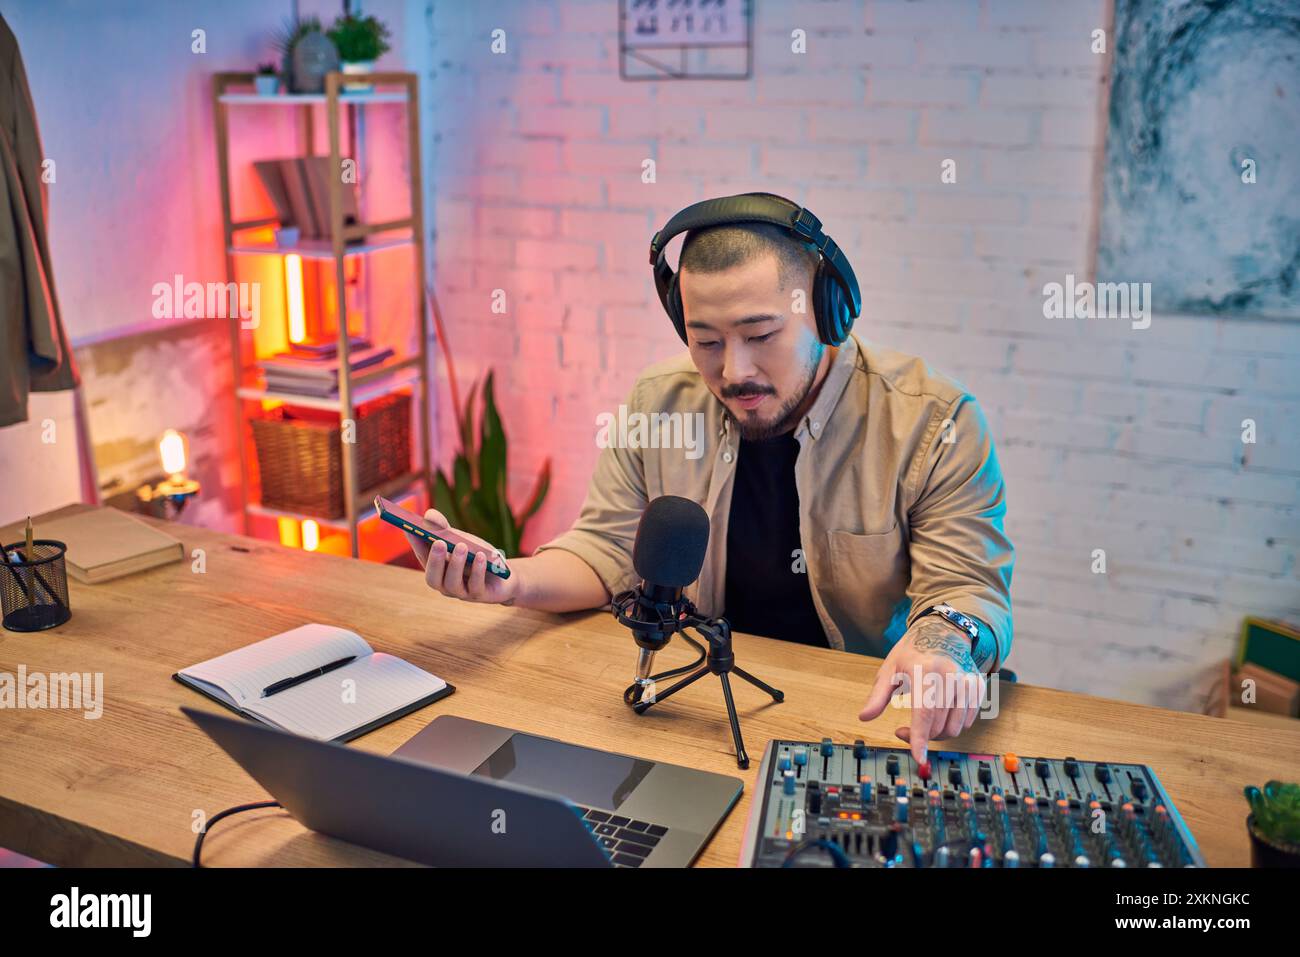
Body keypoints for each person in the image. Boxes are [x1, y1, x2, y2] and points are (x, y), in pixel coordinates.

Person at [404, 193, 1014, 765]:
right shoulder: (658, 401)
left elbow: (966, 589)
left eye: (761, 335)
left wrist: (944, 643)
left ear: (829, 314)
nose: (734, 370)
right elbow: (607, 548)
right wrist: (511, 581)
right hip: (703, 708)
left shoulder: (933, 422)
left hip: (859, 719)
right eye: (707, 341)